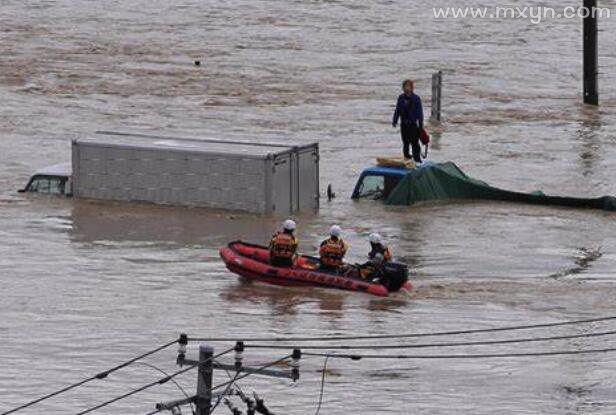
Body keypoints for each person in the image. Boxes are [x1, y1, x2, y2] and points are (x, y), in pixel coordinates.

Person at [392, 79, 424, 163]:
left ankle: (417, 160)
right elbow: (397, 110)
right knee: (405, 143)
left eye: (409, 86)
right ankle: (407, 159)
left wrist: (420, 126)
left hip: (413, 125)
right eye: (405, 86)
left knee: (415, 144)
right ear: (403, 88)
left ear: (412, 88)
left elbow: (420, 113)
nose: (407, 88)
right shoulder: (401, 98)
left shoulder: (416, 99)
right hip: (404, 125)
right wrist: (395, 120)